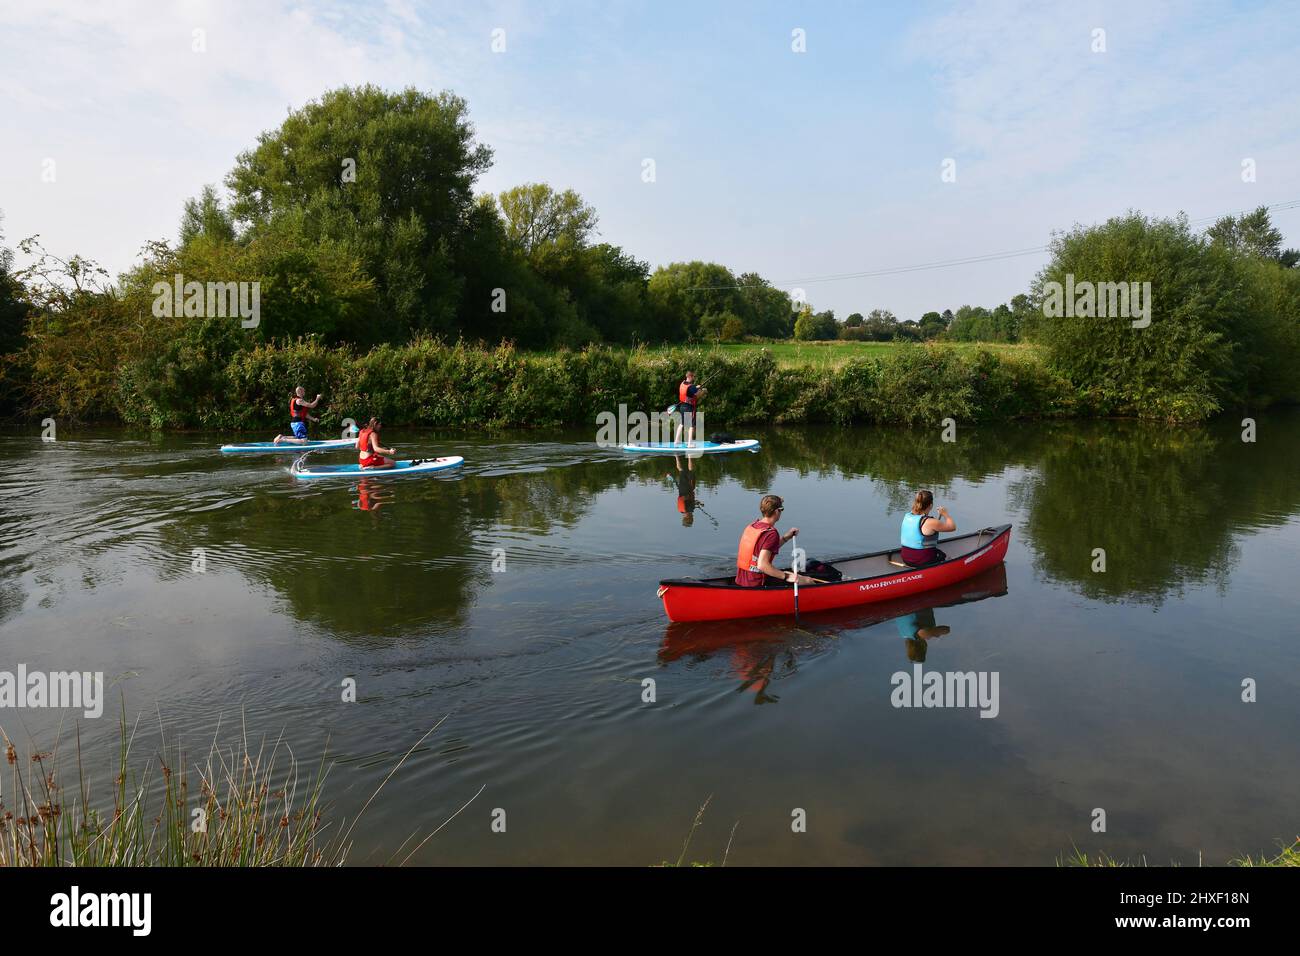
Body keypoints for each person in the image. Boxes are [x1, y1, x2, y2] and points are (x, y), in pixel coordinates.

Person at [735, 494, 815, 587]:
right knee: (808, 581)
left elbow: (765, 548)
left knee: (797, 576)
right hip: (757, 583)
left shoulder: (754, 526)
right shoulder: (771, 533)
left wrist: (785, 538)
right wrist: (786, 576)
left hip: (741, 580)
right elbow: (762, 565)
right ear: (777, 511)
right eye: (782, 510)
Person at [900, 490, 956, 566]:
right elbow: (952, 527)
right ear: (930, 505)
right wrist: (945, 514)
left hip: (905, 558)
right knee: (943, 556)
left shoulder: (907, 516)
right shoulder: (931, 522)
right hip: (920, 561)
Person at [673, 371, 706, 445]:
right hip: (689, 407)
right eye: (693, 377)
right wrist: (702, 391)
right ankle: (690, 443)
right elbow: (697, 396)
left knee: (682, 423)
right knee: (691, 425)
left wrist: (697, 387)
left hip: (682, 406)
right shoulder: (691, 387)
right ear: (690, 377)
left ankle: (676, 441)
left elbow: (690, 390)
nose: (694, 378)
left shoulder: (682, 383)